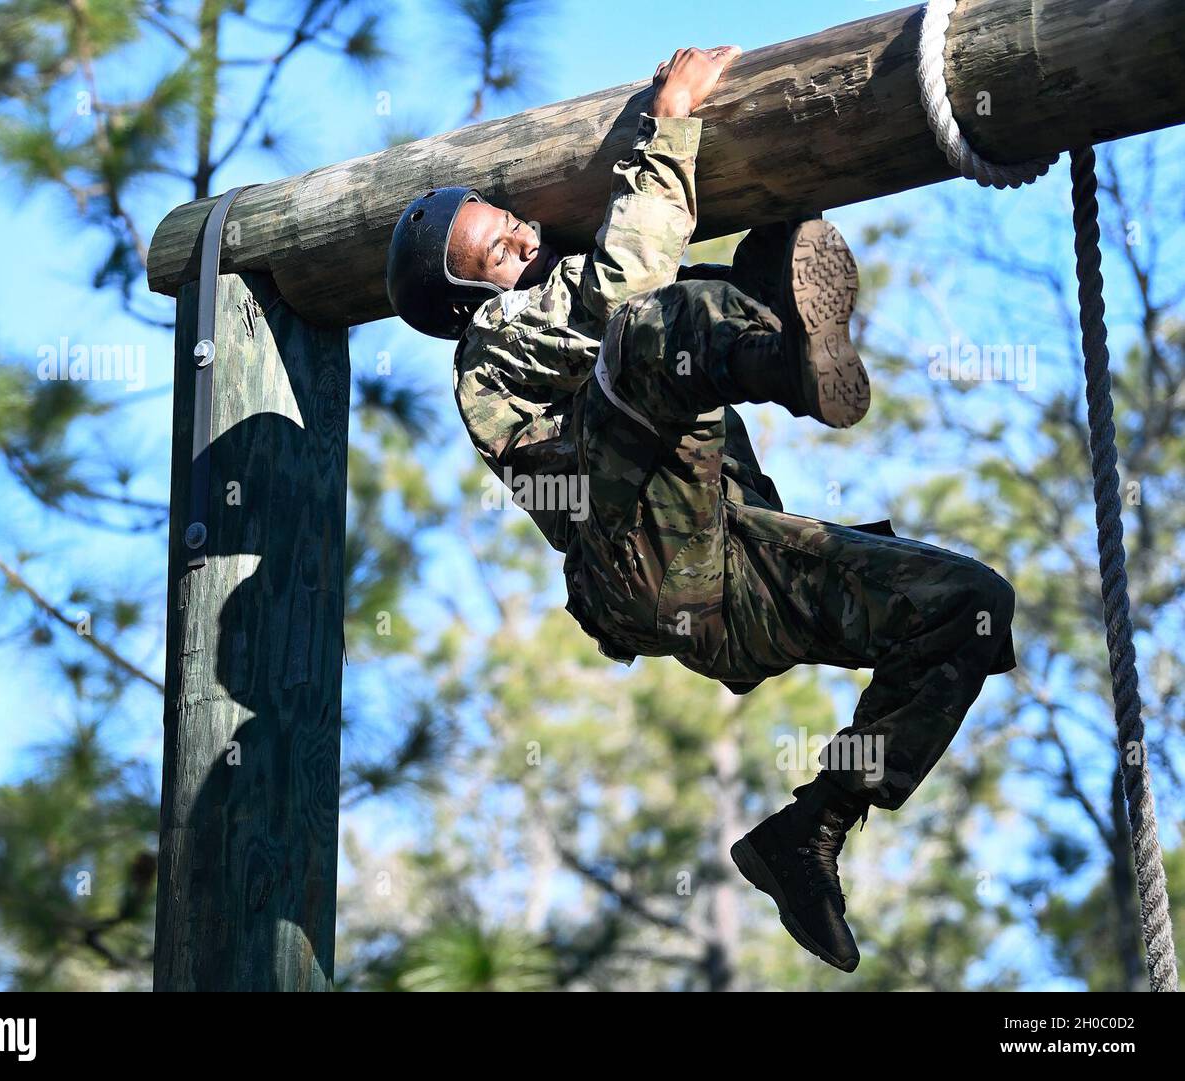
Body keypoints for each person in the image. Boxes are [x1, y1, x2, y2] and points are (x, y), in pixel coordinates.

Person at [385, 46, 1016, 973]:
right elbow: (624, 291)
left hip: (736, 565)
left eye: (516, 222)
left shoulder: (557, 295)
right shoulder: (493, 352)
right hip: (635, 557)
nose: (523, 236)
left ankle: (809, 830)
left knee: (970, 604)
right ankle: (785, 363)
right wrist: (670, 122)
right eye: (497, 246)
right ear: (466, 297)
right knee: (649, 327)